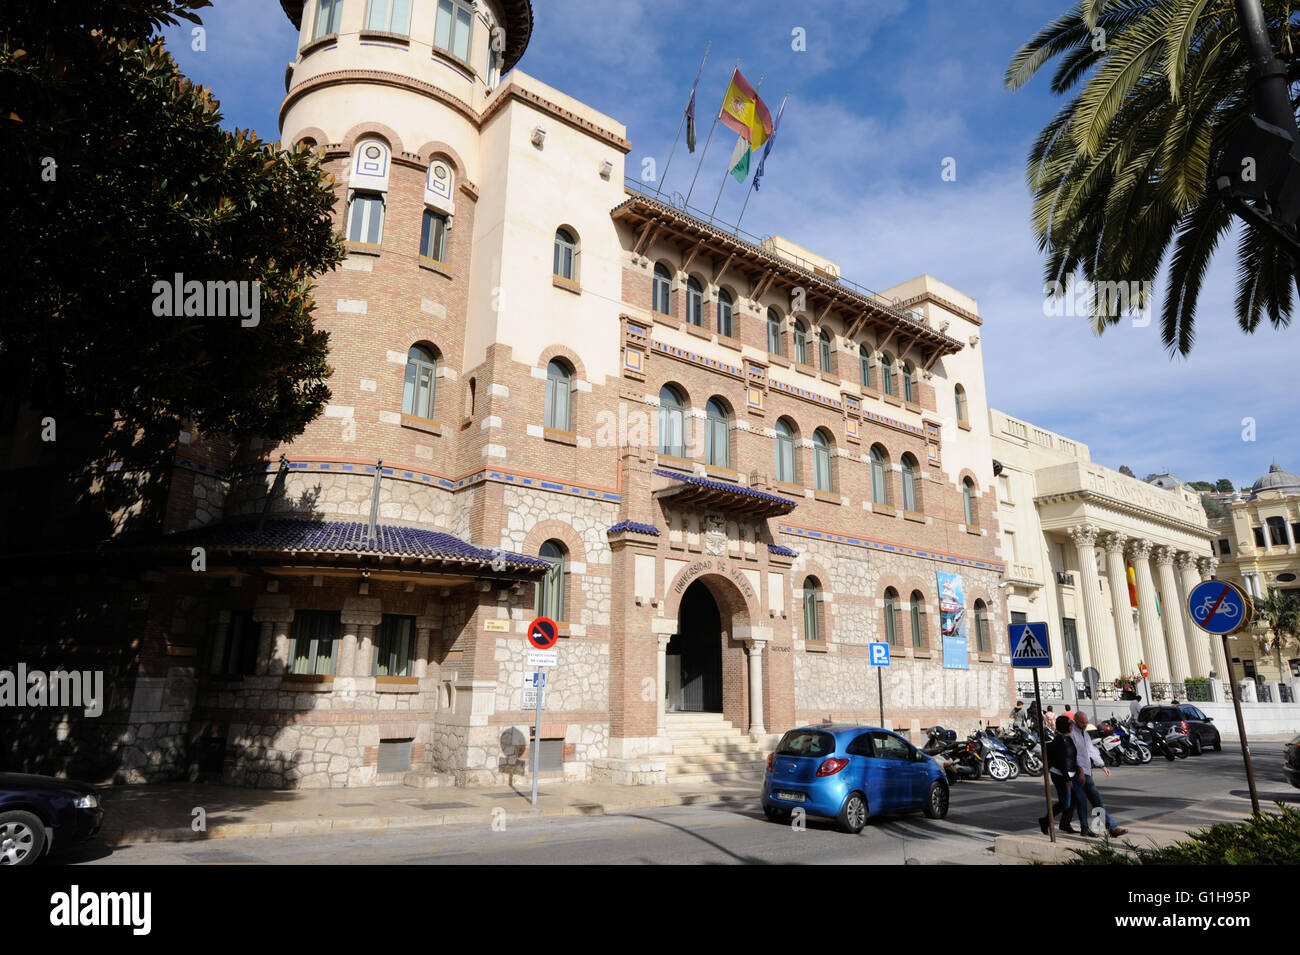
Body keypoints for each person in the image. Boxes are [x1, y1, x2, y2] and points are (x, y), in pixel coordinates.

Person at [1070, 711, 1128, 838]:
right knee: (1081, 801)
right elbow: (1072, 755)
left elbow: (1092, 751)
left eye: (1086, 723)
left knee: (1096, 801)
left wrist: (1102, 765)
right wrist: (1079, 770)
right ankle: (1084, 827)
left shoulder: (1085, 734)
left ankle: (1112, 828)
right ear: (1076, 721)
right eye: (1082, 723)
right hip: (1076, 773)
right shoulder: (1072, 734)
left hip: (1087, 772)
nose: (1085, 725)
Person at [1039, 715, 1080, 834]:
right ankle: (1045, 821)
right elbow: (1062, 761)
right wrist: (1067, 778)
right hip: (1060, 775)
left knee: (1075, 799)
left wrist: (1078, 771)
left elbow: (1072, 757)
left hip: (1071, 773)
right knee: (1064, 802)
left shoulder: (1069, 738)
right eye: (1070, 724)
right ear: (1065, 726)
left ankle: (1065, 823)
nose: (1072, 726)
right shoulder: (1059, 740)